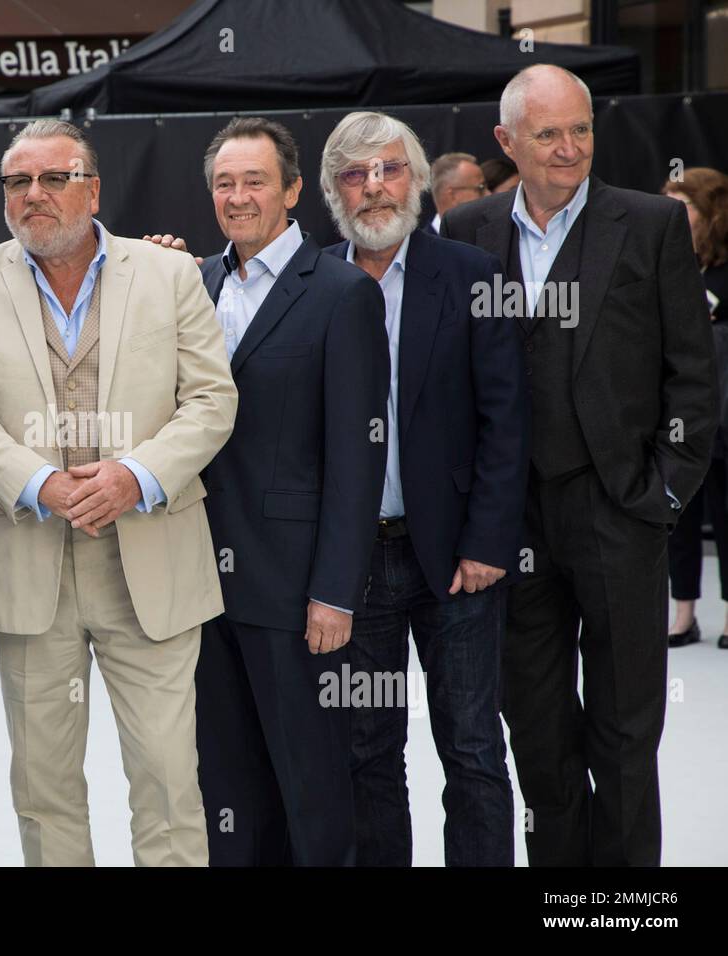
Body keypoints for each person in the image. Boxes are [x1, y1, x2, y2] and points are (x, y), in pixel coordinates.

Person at [0, 119, 237, 867]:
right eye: (16, 182)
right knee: (44, 785)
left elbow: (211, 399)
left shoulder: (169, 276)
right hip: (32, 561)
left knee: (167, 777)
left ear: (92, 189)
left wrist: (136, 475)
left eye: (53, 179)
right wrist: (38, 484)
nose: (33, 196)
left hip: (152, 560)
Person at [442, 65, 717, 866]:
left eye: (582, 129)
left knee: (627, 730)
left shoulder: (650, 225)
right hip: (507, 525)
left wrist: (662, 492)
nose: (570, 148)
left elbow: (693, 376)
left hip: (617, 513)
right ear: (506, 143)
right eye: (549, 134)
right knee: (536, 727)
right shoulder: (468, 233)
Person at [322, 112, 531, 866]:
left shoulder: (473, 276)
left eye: (389, 169)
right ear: (332, 192)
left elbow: (508, 420)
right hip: (356, 569)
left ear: (416, 180)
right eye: (354, 174)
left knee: (473, 750)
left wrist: (486, 543)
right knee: (366, 751)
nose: (374, 187)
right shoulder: (314, 282)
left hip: (457, 565)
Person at [181, 116, 390, 865]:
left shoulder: (341, 294)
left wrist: (335, 591)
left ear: (294, 190)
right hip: (199, 587)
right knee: (228, 790)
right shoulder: (192, 284)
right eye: (224, 183)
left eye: (255, 181)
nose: (238, 197)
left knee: (311, 785)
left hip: (296, 591)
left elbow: (359, 458)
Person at [662, 167, 728, 648]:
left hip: (723, 413)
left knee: (725, 515)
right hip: (673, 413)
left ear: (711, 213)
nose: (673, 213)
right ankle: (682, 612)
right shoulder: (662, 260)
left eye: (683, 204)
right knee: (678, 513)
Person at [427, 152, 487, 233]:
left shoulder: (486, 236)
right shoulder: (419, 244)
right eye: (481, 188)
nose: (488, 194)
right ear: (452, 195)